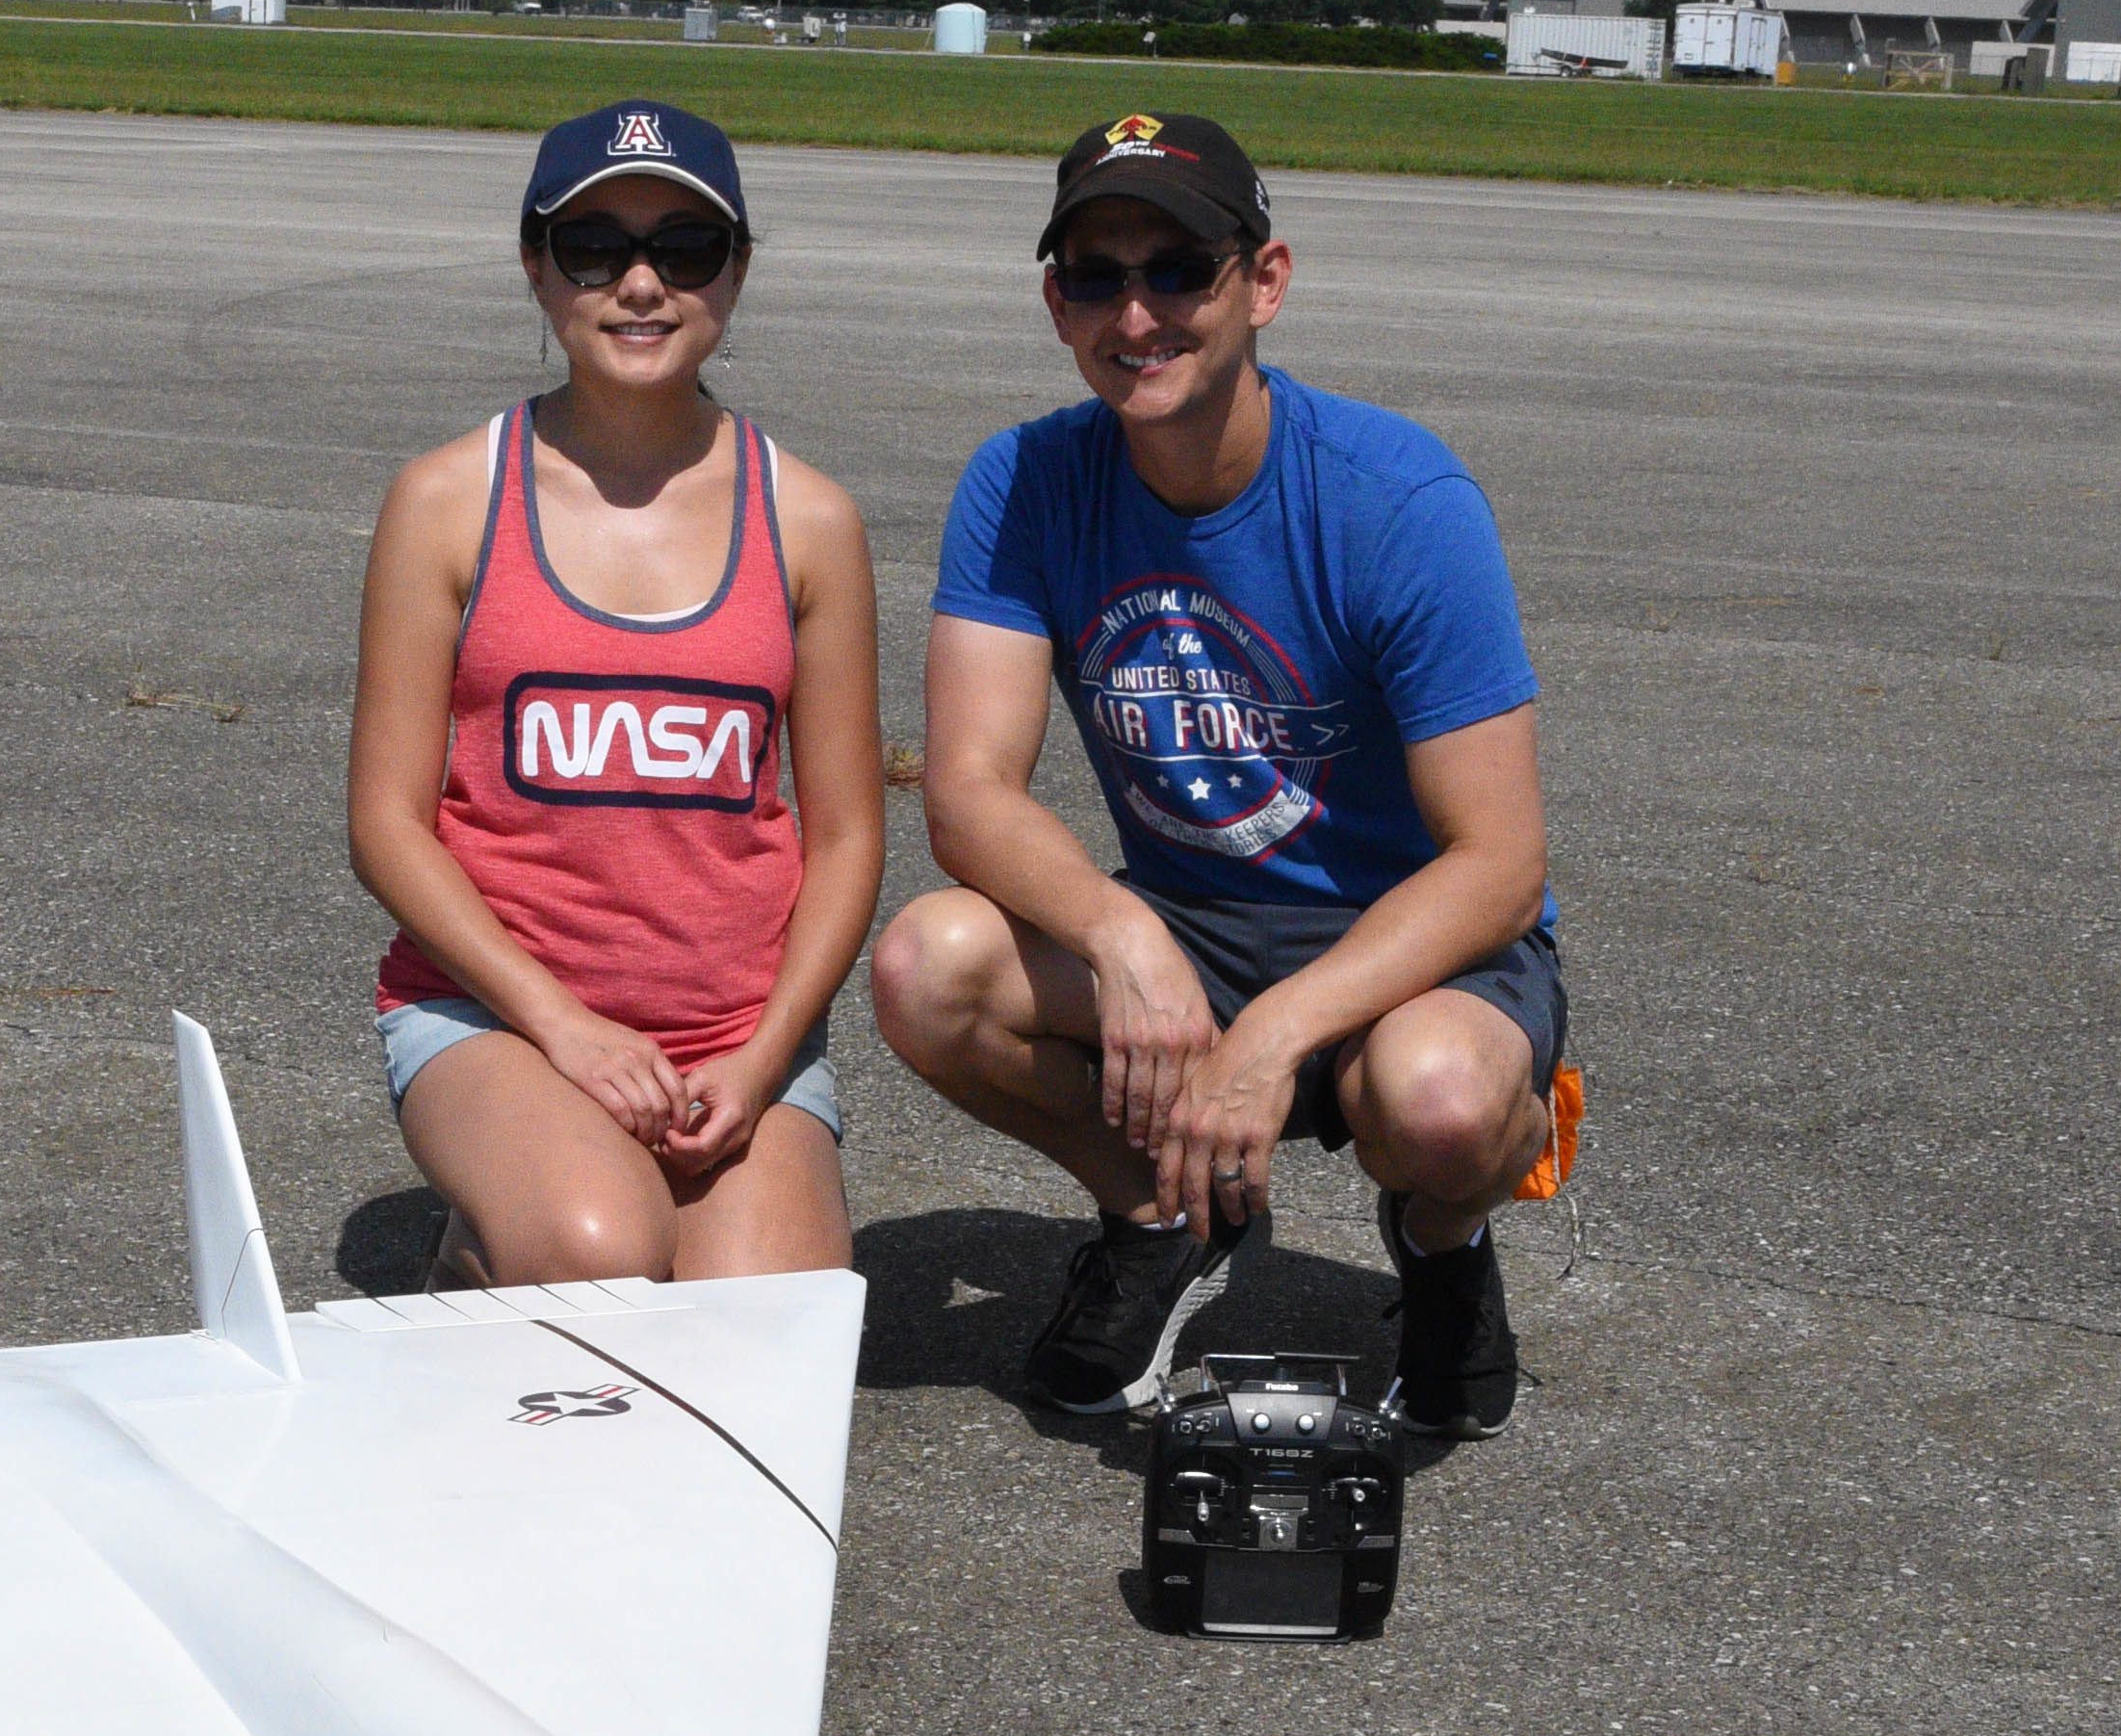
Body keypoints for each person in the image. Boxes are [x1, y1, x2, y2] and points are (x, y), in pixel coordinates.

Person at [870, 104, 1565, 1431]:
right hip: (1191, 919)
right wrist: (1121, 932)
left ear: (1265, 281)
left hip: (1404, 938)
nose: (1137, 315)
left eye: (1180, 270)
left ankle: (1445, 1243)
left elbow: (1498, 862)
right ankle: (1163, 1216)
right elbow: (966, 790)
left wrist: (1276, 1034)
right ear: (1056, 303)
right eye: (1096, 277)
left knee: (1438, 1102)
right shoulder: (1023, 481)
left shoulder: (1397, 497)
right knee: (927, 969)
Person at [349, 99, 883, 1283]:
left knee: (760, 1334)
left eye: (685, 249)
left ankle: (566, 1209)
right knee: (601, 1251)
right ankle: (502, 1232)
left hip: (732, 1034)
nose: (641, 284)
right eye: (593, 248)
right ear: (535, 265)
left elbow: (848, 838)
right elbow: (386, 824)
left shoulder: (809, 519)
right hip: (498, 1015)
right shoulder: (444, 501)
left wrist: (764, 1056)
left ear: (735, 271)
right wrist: (563, 1028)